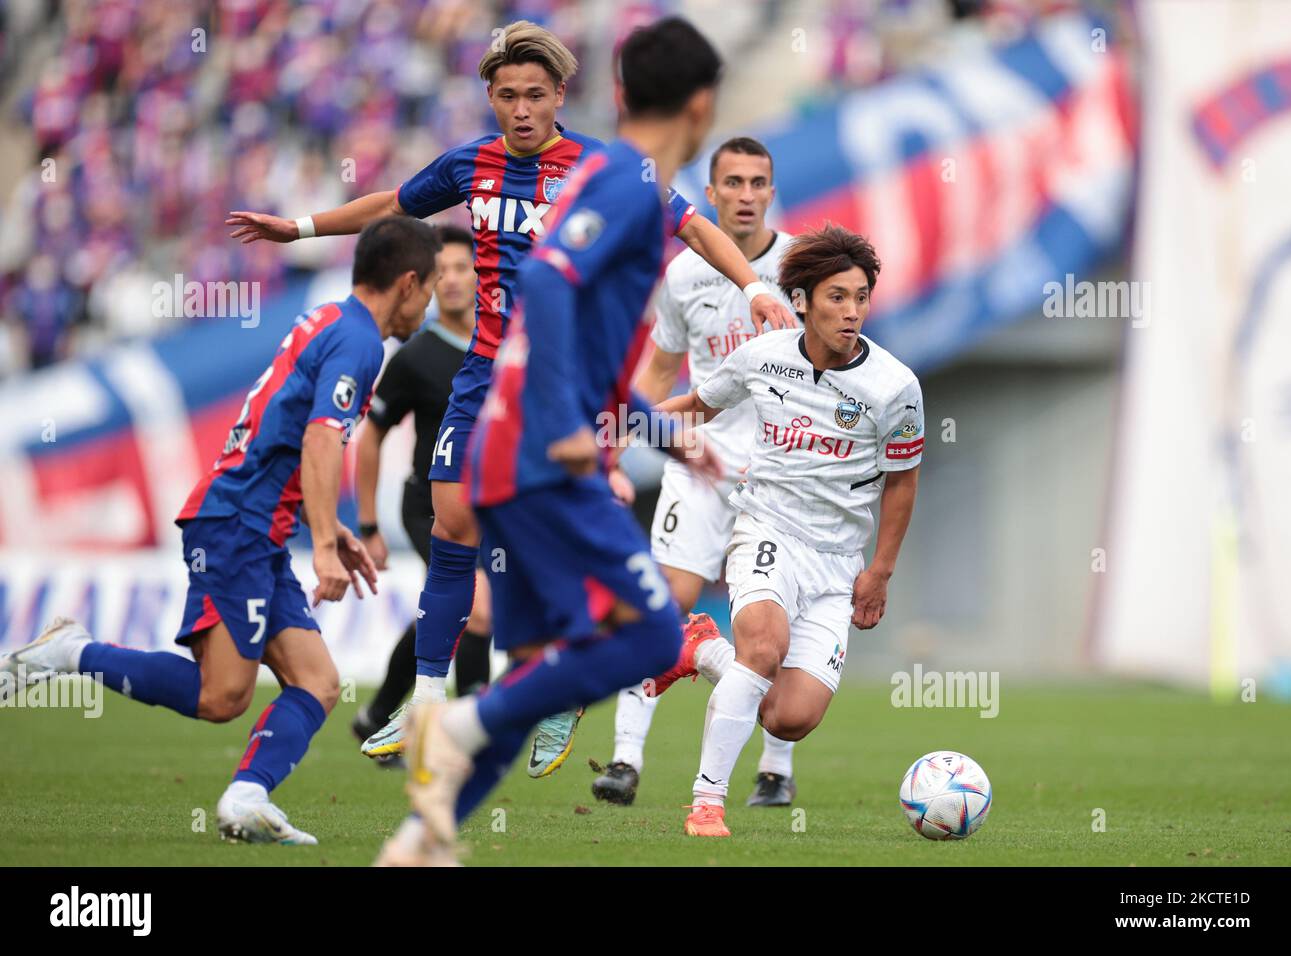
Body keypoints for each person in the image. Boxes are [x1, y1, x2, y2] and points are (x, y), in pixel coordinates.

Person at [226, 20, 794, 776]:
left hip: (560, 377)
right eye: (505, 96)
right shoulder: (473, 165)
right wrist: (297, 229)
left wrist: (754, 286)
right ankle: (429, 701)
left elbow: (691, 227)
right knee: (452, 518)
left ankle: (560, 684)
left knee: (554, 534)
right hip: (484, 372)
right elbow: (395, 203)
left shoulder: (601, 169)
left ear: (561, 95)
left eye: (534, 94)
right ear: (490, 99)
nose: (520, 109)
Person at [376, 16, 733, 867]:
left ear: (610, 95)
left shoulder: (602, 175)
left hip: (517, 445)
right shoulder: (625, 180)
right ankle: (451, 719)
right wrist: (579, 430)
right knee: (650, 637)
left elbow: (579, 337)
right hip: (539, 454)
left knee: (537, 667)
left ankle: (424, 838)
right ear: (703, 103)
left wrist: (655, 429)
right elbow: (549, 280)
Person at [0, 217, 437, 844]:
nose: (427, 307)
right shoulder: (361, 343)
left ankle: (246, 796)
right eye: (427, 292)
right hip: (237, 522)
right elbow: (319, 437)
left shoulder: (331, 320)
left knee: (318, 681)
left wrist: (326, 522)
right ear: (408, 282)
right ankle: (71, 652)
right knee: (222, 696)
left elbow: (285, 432)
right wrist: (319, 543)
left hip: (255, 519)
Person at [646, 224, 924, 837]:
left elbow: (903, 481)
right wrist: (609, 425)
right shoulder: (761, 356)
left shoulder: (895, 386)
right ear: (801, 301)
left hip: (838, 561)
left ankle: (697, 648)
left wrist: (879, 572)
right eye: (836, 297)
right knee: (763, 648)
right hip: (767, 527)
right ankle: (707, 802)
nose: (851, 312)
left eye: (860, 297)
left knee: (788, 718)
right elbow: (697, 405)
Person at [592, 136, 801, 808]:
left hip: (781, 466)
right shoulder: (684, 274)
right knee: (664, 599)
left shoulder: (802, 264)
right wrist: (617, 446)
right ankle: (625, 758)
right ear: (709, 195)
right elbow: (657, 370)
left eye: (756, 182)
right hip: (701, 456)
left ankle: (775, 765)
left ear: (772, 190)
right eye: (731, 183)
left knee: (773, 621)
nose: (744, 195)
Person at [350, 225, 492, 763]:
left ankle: (380, 710)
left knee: (459, 610)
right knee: (476, 608)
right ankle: (473, 728)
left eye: (464, 268)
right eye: (443, 272)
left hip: (490, 504)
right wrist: (368, 524)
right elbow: (371, 437)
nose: (454, 280)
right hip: (429, 503)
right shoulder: (415, 355)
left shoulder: (503, 346)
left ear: (483, 276)